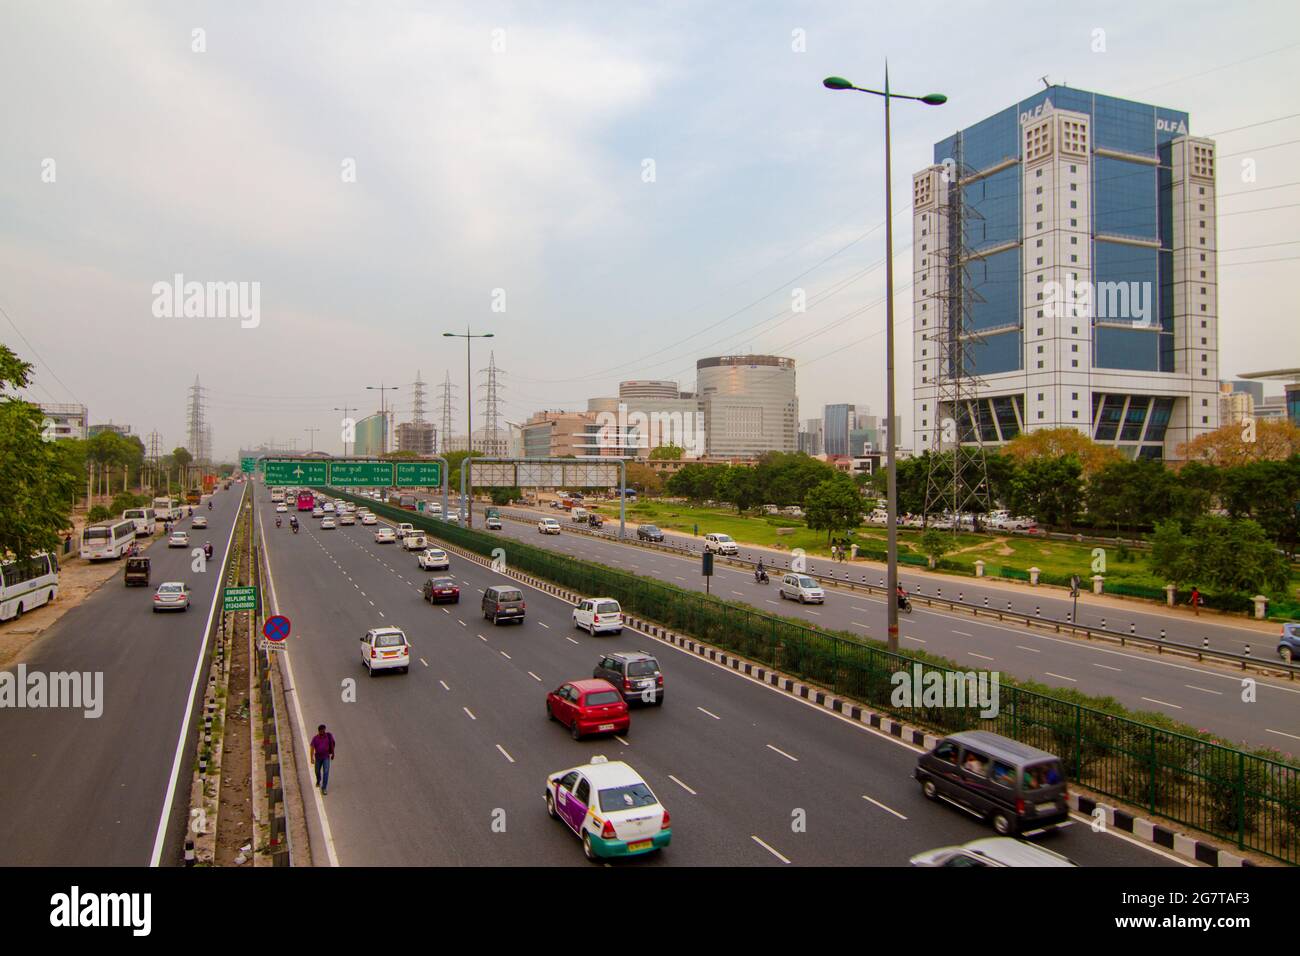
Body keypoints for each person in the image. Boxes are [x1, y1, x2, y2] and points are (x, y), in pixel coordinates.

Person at [311, 724, 335, 795]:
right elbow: (312, 748)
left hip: (326, 757)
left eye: (324, 730)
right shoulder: (315, 738)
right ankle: (318, 780)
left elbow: (332, 745)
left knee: (326, 772)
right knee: (317, 771)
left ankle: (324, 788)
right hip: (318, 758)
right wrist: (311, 758)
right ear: (319, 731)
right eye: (322, 731)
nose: (324, 732)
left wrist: (333, 754)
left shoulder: (328, 737)